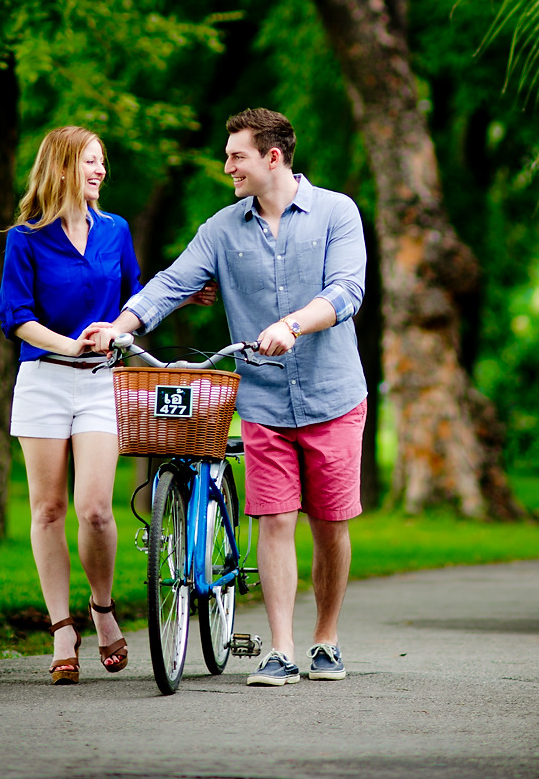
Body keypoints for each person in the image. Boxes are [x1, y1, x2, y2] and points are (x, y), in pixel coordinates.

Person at [87, 107, 367, 688]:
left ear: (272, 157)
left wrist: (292, 325)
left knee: (331, 524)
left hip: (334, 394)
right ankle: (282, 648)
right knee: (274, 520)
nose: (227, 166)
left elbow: (347, 289)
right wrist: (123, 325)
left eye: (236, 155)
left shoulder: (337, 212)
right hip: (261, 398)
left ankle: (327, 638)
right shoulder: (221, 229)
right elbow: (170, 283)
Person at [0, 124, 138, 685]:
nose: (100, 171)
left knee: (96, 508)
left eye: (102, 162)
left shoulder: (116, 230)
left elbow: (135, 295)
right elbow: (16, 316)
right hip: (44, 379)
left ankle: (101, 608)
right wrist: (69, 342)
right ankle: (61, 627)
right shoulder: (26, 237)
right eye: (90, 162)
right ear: (61, 168)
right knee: (48, 509)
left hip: (101, 382)